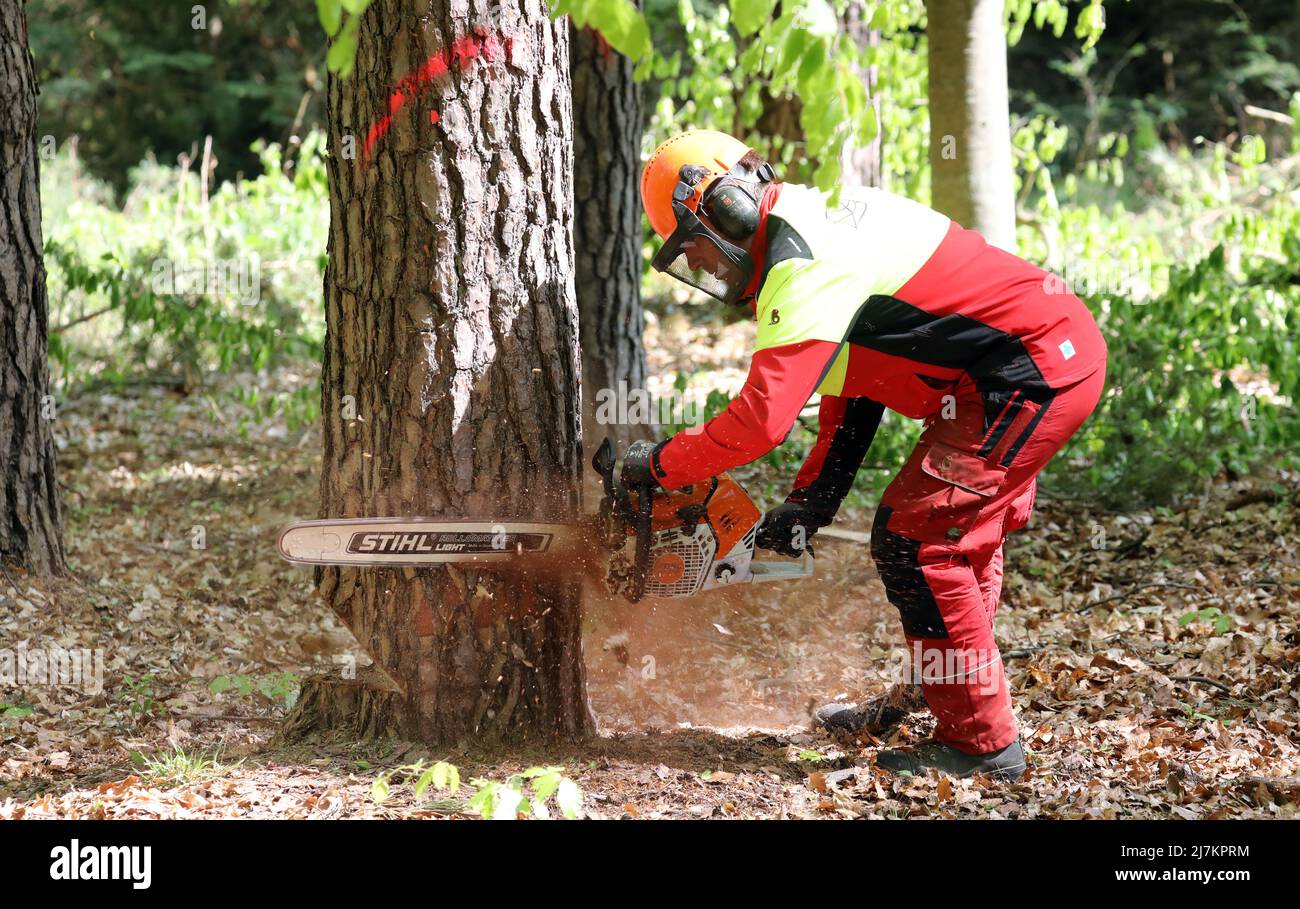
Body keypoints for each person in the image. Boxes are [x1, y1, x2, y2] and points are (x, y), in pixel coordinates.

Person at [628, 129, 1108, 782]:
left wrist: (657, 466)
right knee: (954, 542)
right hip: (1025, 364)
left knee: (921, 537)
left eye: (699, 247)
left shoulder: (804, 258)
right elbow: (855, 388)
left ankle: (981, 743)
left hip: (1031, 370)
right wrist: (809, 502)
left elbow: (761, 420)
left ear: (729, 204)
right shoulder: (811, 224)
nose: (708, 268)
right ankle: (940, 704)